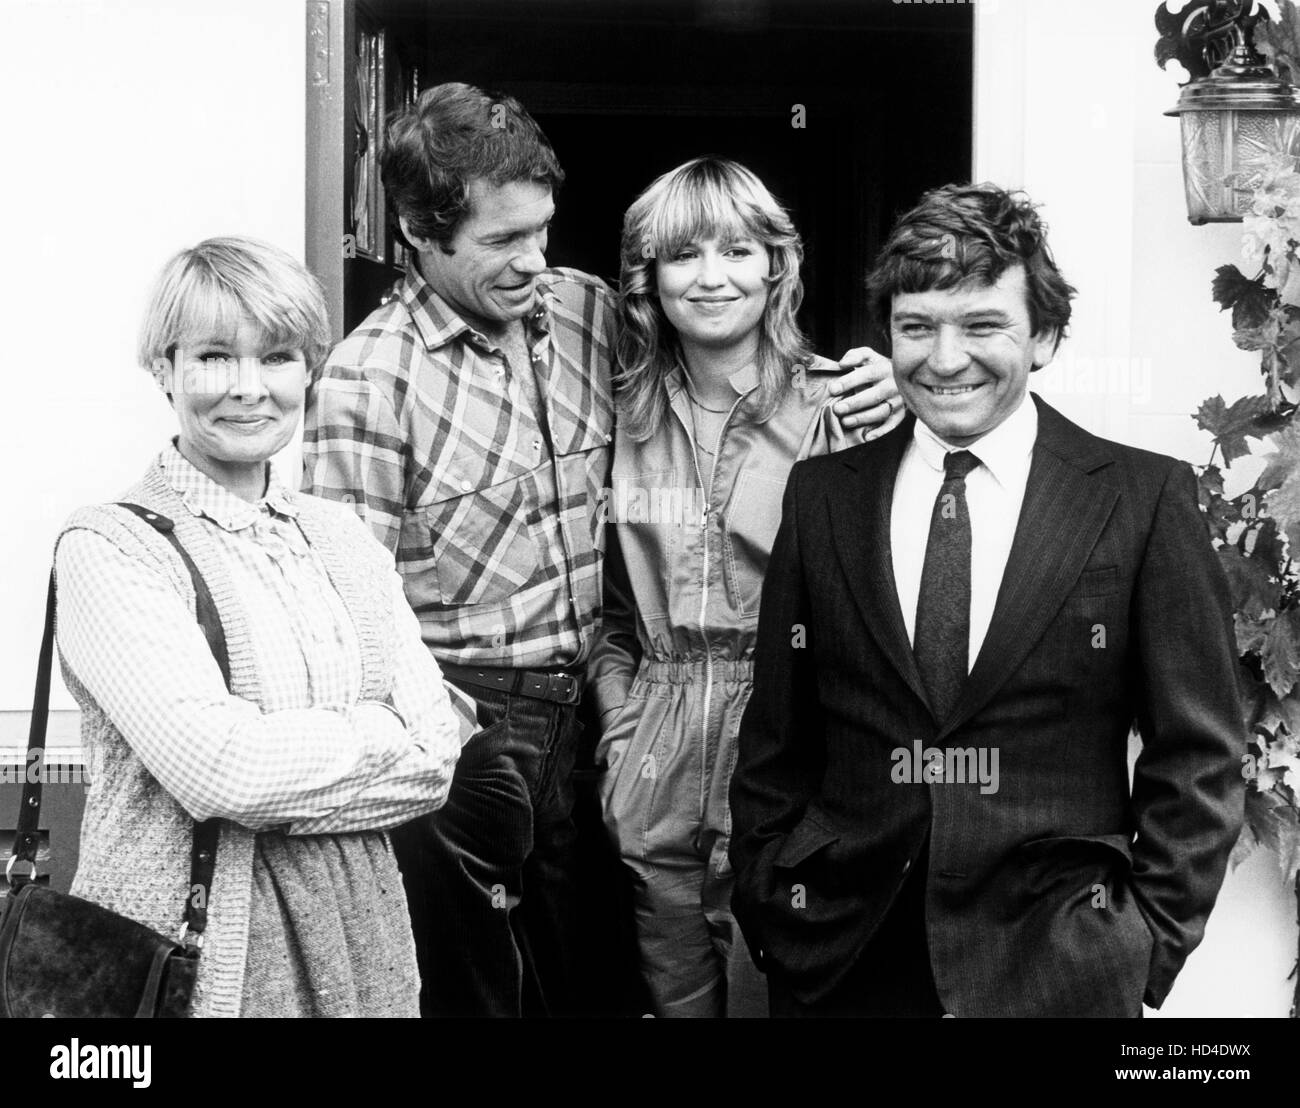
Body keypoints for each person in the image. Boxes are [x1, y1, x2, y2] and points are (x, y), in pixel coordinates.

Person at [302, 82, 898, 1017]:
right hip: (476, 718)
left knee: (659, 973)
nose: (535, 261)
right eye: (503, 241)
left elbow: (724, 335)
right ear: (420, 230)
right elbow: (344, 620)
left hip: (666, 716)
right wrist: (607, 728)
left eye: (543, 231)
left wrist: (895, 373)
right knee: (500, 987)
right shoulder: (366, 381)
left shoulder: (582, 315)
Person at [729, 183, 1247, 1018]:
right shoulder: (823, 496)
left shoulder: (1141, 499)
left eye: (981, 325)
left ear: (1042, 336)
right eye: (916, 326)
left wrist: (1143, 946)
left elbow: (1199, 753)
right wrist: (770, 901)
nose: (943, 358)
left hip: (1056, 967)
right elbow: (777, 737)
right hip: (839, 961)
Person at [54, 237, 466, 1018]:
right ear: (163, 369)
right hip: (193, 958)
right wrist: (382, 735)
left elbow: (437, 757)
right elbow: (221, 771)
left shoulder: (342, 537)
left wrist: (288, 757)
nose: (248, 388)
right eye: (213, 356)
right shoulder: (110, 547)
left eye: (277, 356)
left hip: (360, 946)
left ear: (309, 368)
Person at [589, 157, 901, 1018]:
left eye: (737, 250)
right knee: (677, 1003)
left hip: (784, 737)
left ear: (777, 264)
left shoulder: (842, 405)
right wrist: (624, 733)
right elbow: (614, 610)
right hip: (656, 742)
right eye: (684, 254)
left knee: (776, 996)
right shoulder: (622, 411)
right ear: (649, 276)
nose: (712, 276)